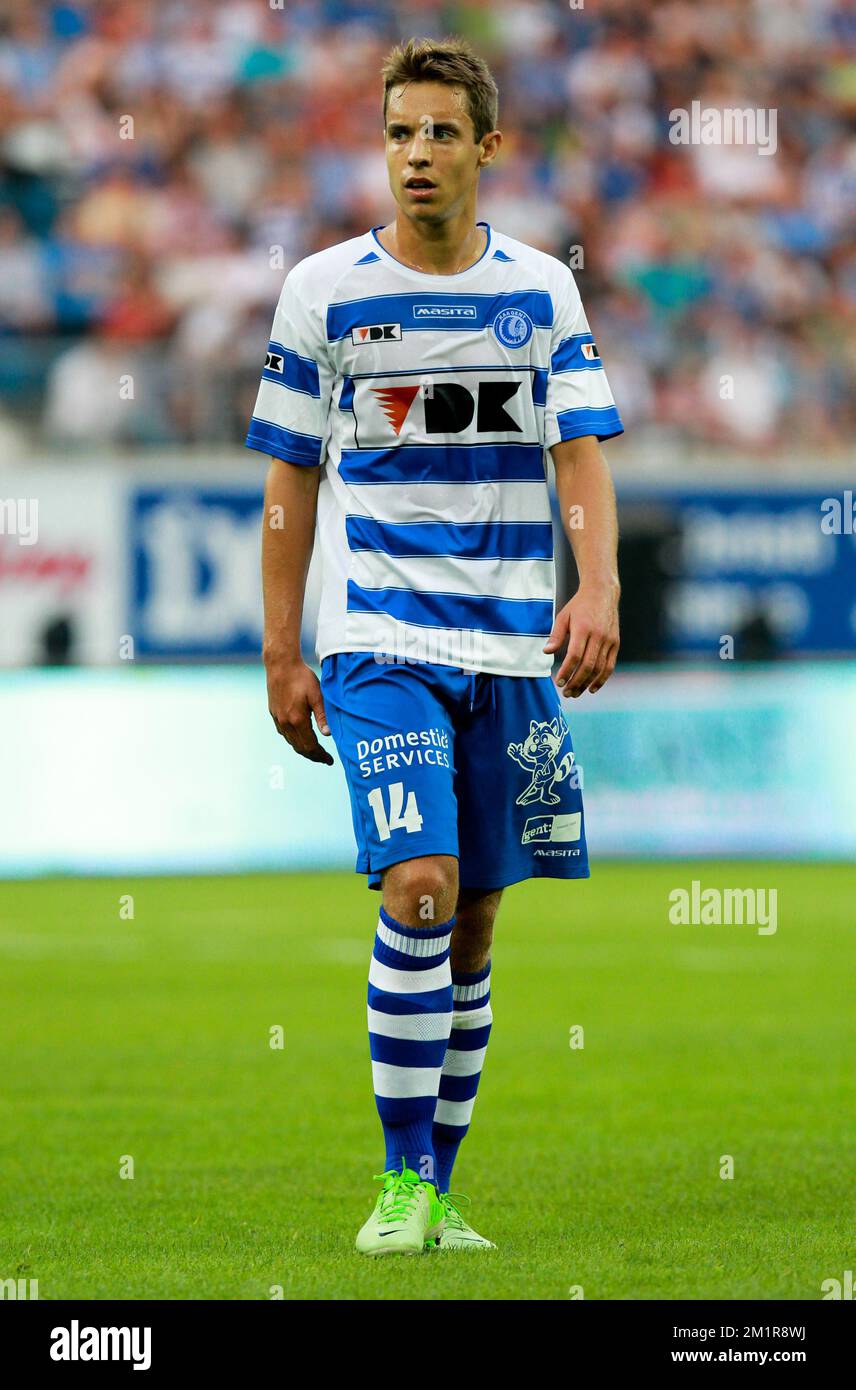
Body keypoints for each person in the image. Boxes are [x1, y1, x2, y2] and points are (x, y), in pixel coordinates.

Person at [247, 36, 623, 1256]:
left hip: (510, 648)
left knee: (473, 927)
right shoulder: (323, 292)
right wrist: (279, 649)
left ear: (486, 149)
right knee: (418, 886)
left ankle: (443, 1193)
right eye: (400, 132)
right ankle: (398, 1183)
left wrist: (598, 586)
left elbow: (580, 458)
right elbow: (288, 482)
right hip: (376, 638)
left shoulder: (539, 293)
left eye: (442, 133)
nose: (417, 154)